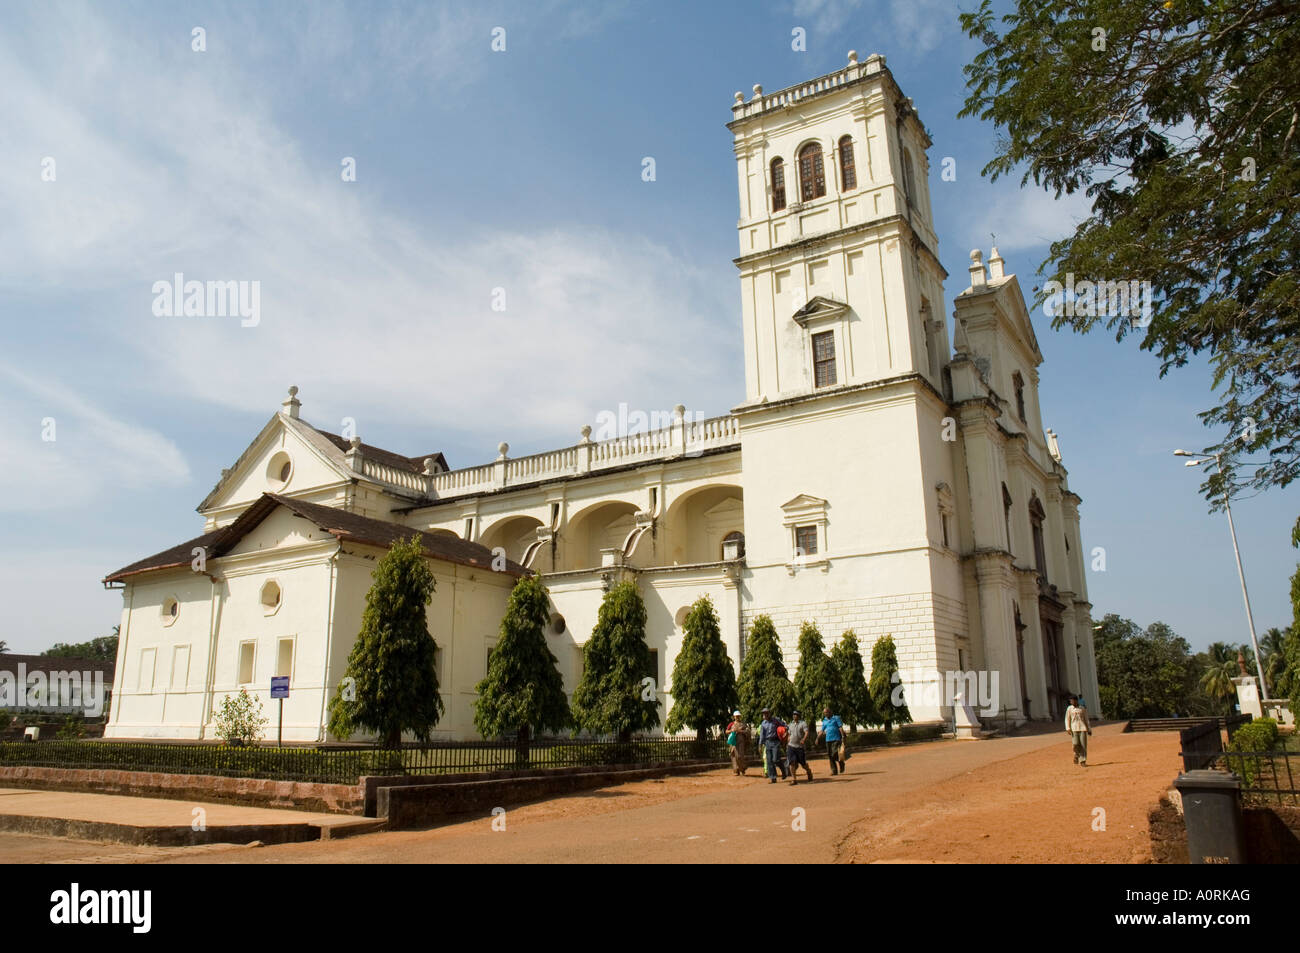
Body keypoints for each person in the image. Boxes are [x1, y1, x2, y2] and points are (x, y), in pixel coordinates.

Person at [758, 708, 788, 783]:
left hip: (775, 741)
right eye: (763, 713)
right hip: (767, 742)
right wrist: (760, 745)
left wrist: (785, 732)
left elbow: (785, 726)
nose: (765, 715)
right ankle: (773, 777)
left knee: (776, 759)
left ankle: (784, 770)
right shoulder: (763, 723)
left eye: (766, 713)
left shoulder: (776, 720)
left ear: (769, 713)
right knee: (769, 761)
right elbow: (762, 735)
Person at [785, 710, 814, 785]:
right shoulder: (790, 724)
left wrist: (803, 739)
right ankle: (794, 779)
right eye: (794, 714)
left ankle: (808, 771)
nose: (794, 716)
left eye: (796, 715)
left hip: (799, 747)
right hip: (791, 746)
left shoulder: (803, 723)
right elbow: (789, 734)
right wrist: (787, 741)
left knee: (803, 764)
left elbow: (806, 732)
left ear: (799, 716)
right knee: (792, 763)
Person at [817, 706, 846, 775]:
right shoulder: (824, 720)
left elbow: (840, 727)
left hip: (836, 739)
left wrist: (843, 736)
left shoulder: (836, 718)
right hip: (828, 740)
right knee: (830, 756)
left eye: (826, 712)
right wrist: (817, 738)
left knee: (834, 754)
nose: (825, 714)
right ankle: (834, 771)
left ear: (830, 712)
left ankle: (841, 763)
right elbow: (822, 730)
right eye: (824, 713)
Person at [1065, 694, 1092, 766]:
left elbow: (1086, 719)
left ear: (1076, 700)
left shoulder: (1082, 708)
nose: (1071, 702)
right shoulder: (1069, 709)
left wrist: (1089, 729)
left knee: (1083, 745)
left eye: (1072, 700)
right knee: (1075, 743)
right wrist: (1068, 728)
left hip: (1082, 728)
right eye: (1070, 701)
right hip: (1074, 728)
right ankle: (1076, 755)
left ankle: (1083, 760)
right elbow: (1067, 719)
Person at [725, 710, 751, 776]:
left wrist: (740, 731)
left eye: (738, 716)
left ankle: (742, 769)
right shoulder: (731, 724)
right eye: (736, 716)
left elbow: (748, 731)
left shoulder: (743, 724)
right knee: (734, 756)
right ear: (734, 717)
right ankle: (736, 771)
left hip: (741, 742)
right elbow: (726, 731)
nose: (737, 717)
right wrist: (732, 730)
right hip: (733, 742)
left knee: (740, 756)